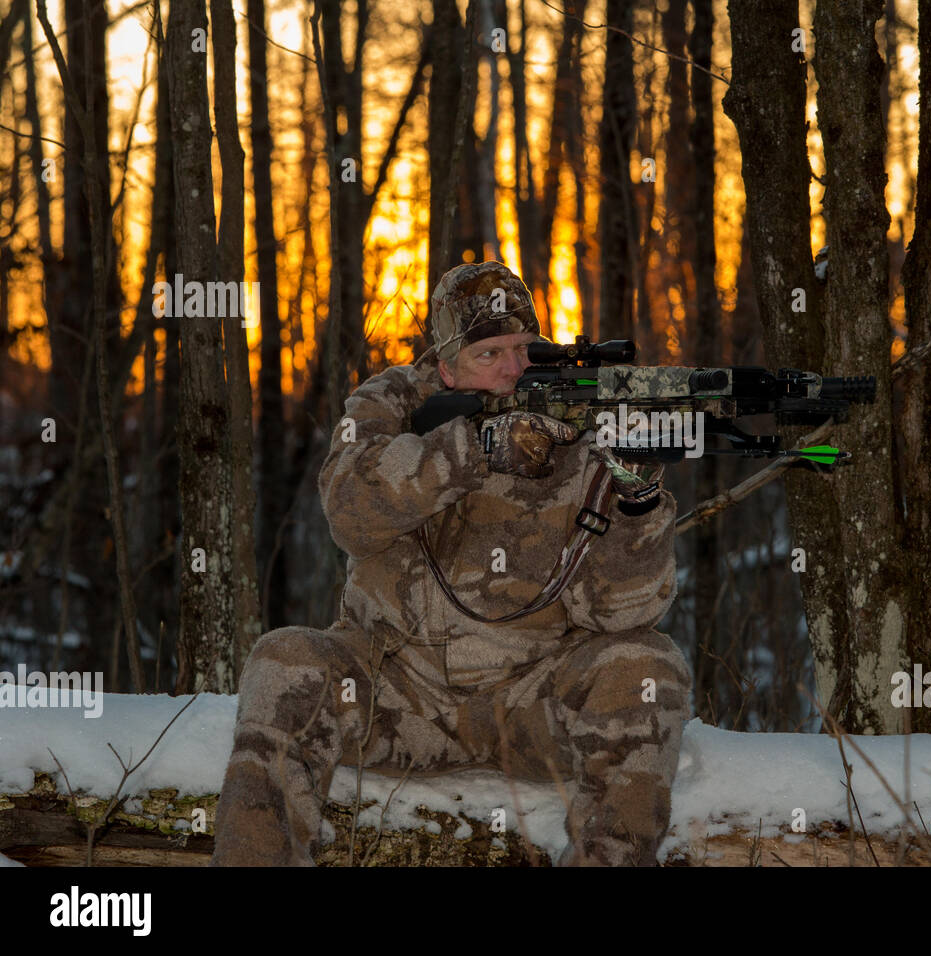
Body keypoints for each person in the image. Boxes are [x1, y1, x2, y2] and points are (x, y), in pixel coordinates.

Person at [210, 260, 691, 866]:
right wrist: (473, 451)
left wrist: (638, 500)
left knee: (648, 664)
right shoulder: (388, 406)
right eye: (490, 353)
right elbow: (351, 511)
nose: (514, 369)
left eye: (524, 349)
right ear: (445, 365)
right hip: (393, 694)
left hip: (527, 706)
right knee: (283, 660)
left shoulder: (574, 434)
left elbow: (625, 613)